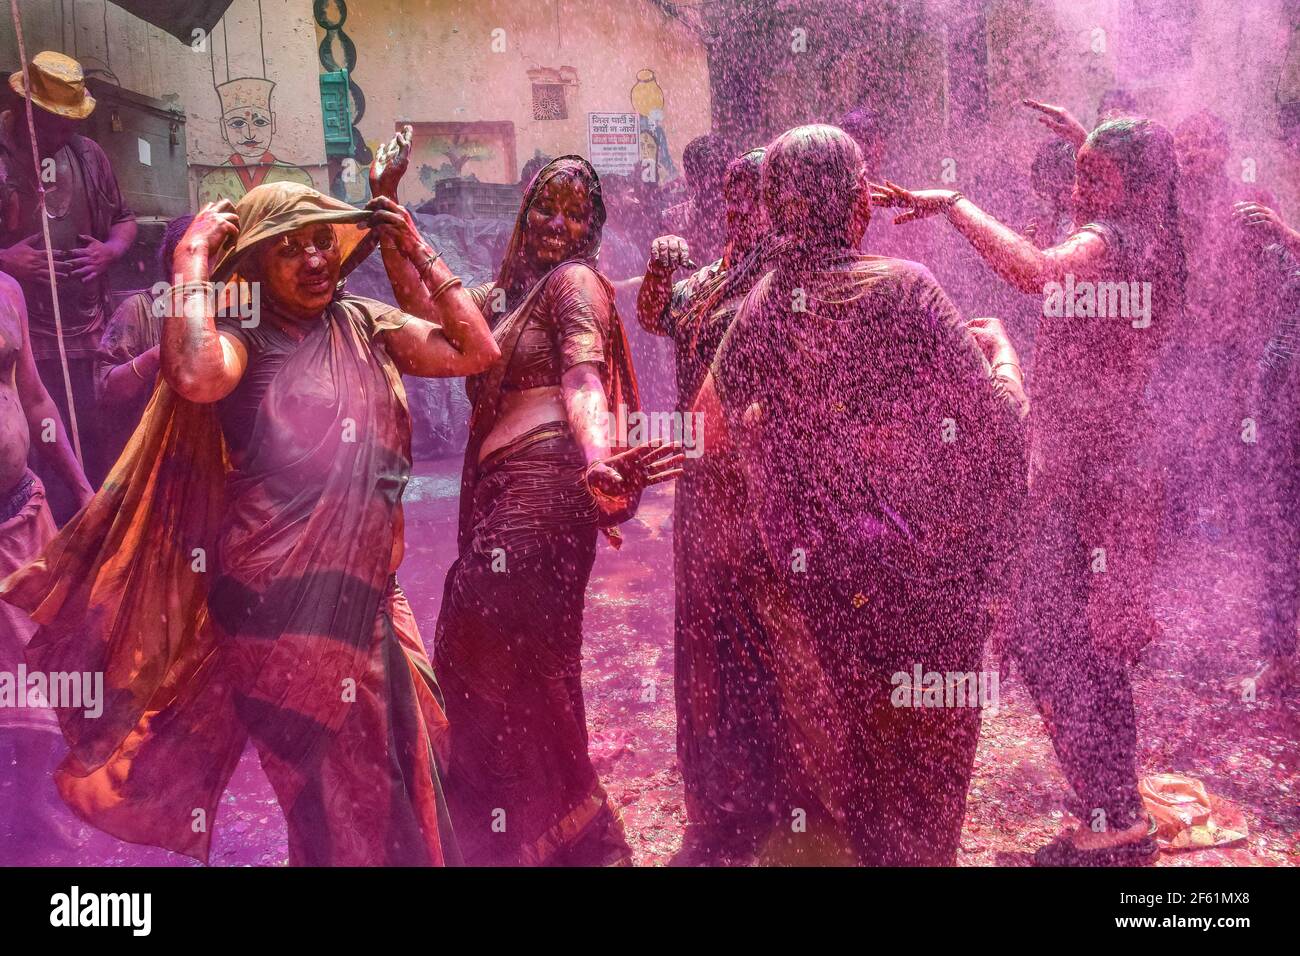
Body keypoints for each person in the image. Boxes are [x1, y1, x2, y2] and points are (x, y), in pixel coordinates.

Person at [1, 135, 501, 865]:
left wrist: (405, 241)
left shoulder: (363, 323)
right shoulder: (244, 337)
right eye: (289, 248)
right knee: (336, 792)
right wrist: (190, 261)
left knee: (405, 761)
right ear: (255, 266)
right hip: (277, 607)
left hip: (374, 595)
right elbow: (194, 375)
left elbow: (474, 350)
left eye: (323, 243)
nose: (315, 259)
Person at [696, 125, 1027, 865]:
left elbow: (706, 434)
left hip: (832, 589)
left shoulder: (765, 307)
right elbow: (999, 430)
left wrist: (782, 429)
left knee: (871, 781)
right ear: (856, 207)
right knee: (932, 784)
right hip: (928, 583)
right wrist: (1004, 354)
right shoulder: (904, 290)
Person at [877, 116, 1187, 865]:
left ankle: (1113, 816)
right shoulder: (1150, 234)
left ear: (1137, 187)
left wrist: (955, 204)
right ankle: (1113, 807)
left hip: (1090, 476)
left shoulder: (1111, 243)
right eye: (1077, 171)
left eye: (1095, 177)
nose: (1077, 190)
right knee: (1082, 642)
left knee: (1055, 642)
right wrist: (1095, 147)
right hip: (1101, 467)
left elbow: (1034, 271)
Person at [433, 155, 682, 867]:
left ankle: (509, 841)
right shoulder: (502, 299)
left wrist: (599, 458)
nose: (559, 224)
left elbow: (583, 375)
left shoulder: (573, 285)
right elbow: (432, 318)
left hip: (542, 502)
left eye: (578, 213)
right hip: (513, 503)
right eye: (548, 206)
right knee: (526, 674)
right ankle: (575, 841)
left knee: (479, 655)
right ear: (524, 206)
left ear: (594, 229)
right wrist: (392, 222)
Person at [637, 148, 785, 864]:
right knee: (706, 641)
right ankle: (716, 803)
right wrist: (662, 268)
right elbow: (651, 315)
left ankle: (775, 802)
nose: (738, 205)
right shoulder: (703, 281)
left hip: (763, 489)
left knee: (768, 642)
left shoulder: (788, 281)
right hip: (702, 491)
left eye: (753, 193)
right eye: (729, 192)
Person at [0, 53, 137, 512]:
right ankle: (44, 542)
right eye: (51, 123)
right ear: (26, 109)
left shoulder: (87, 155)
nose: (62, 134)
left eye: (68, 123)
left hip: (85, 333)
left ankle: (92, 526)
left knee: (92, 435)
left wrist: (109, 251)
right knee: (32, 451)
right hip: (17, 346)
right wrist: (6, 261)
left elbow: (125, 222)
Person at [0, 269, 92, 863]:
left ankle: (33, 833)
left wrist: (83, 489)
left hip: (21, 519)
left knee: (38, 694)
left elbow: (33, 398)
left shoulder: (7, 289)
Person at [94, 214, 194, 464]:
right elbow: (105, 390)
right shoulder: (138, 310)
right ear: (174, 261)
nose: (208, 265)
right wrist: (159, 355)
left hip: (205, 461)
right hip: (147, 461)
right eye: (195, 256)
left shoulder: (230, 312)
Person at [661, 134, 730, 267]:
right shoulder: (671, 221)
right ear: (690, 177)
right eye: (705, 174)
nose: (711, 182)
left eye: (717, 173)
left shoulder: (742, 219)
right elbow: (665, 278)